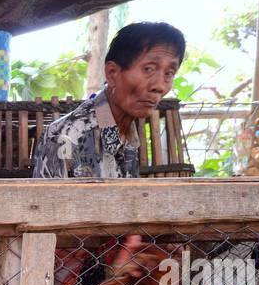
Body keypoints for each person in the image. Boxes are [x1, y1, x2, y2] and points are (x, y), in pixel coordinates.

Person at [32, 22, 185, 179]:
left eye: (169, 73)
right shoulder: (66, 136)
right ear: (112, 73)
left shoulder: (128, 133)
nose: (159, 86)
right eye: (148, 69)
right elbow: (47, 203)